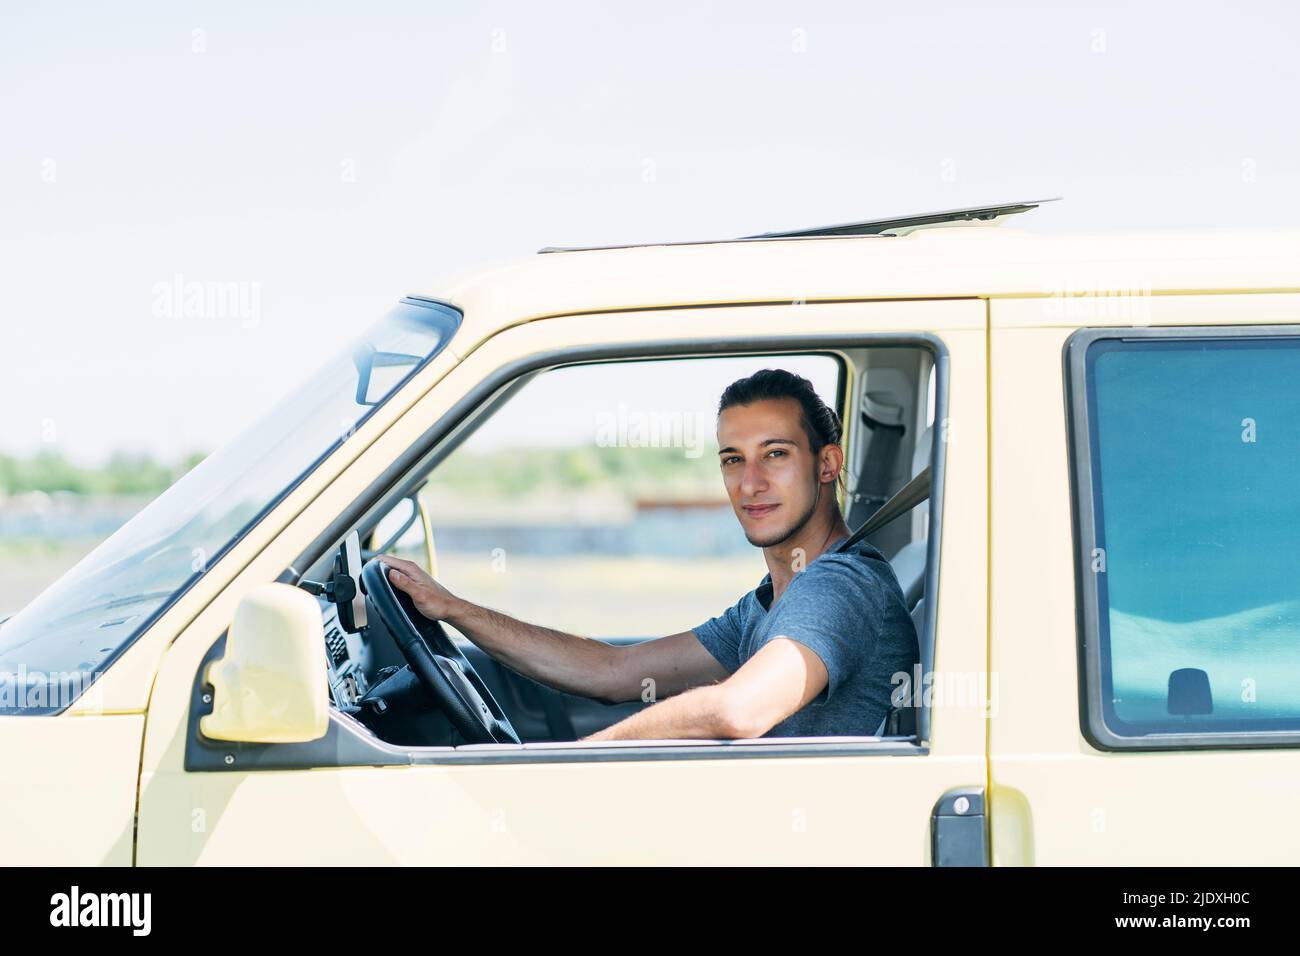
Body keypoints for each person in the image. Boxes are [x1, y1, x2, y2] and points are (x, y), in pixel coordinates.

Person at [382, 368, 920, 740]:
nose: (750, 483)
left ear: (827, 464)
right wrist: (453, 608)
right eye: (733, 460)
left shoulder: (838, 588)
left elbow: (738, 709)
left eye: (775, 454)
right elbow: (616, 672)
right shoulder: (769, 603)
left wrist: (579, 762)